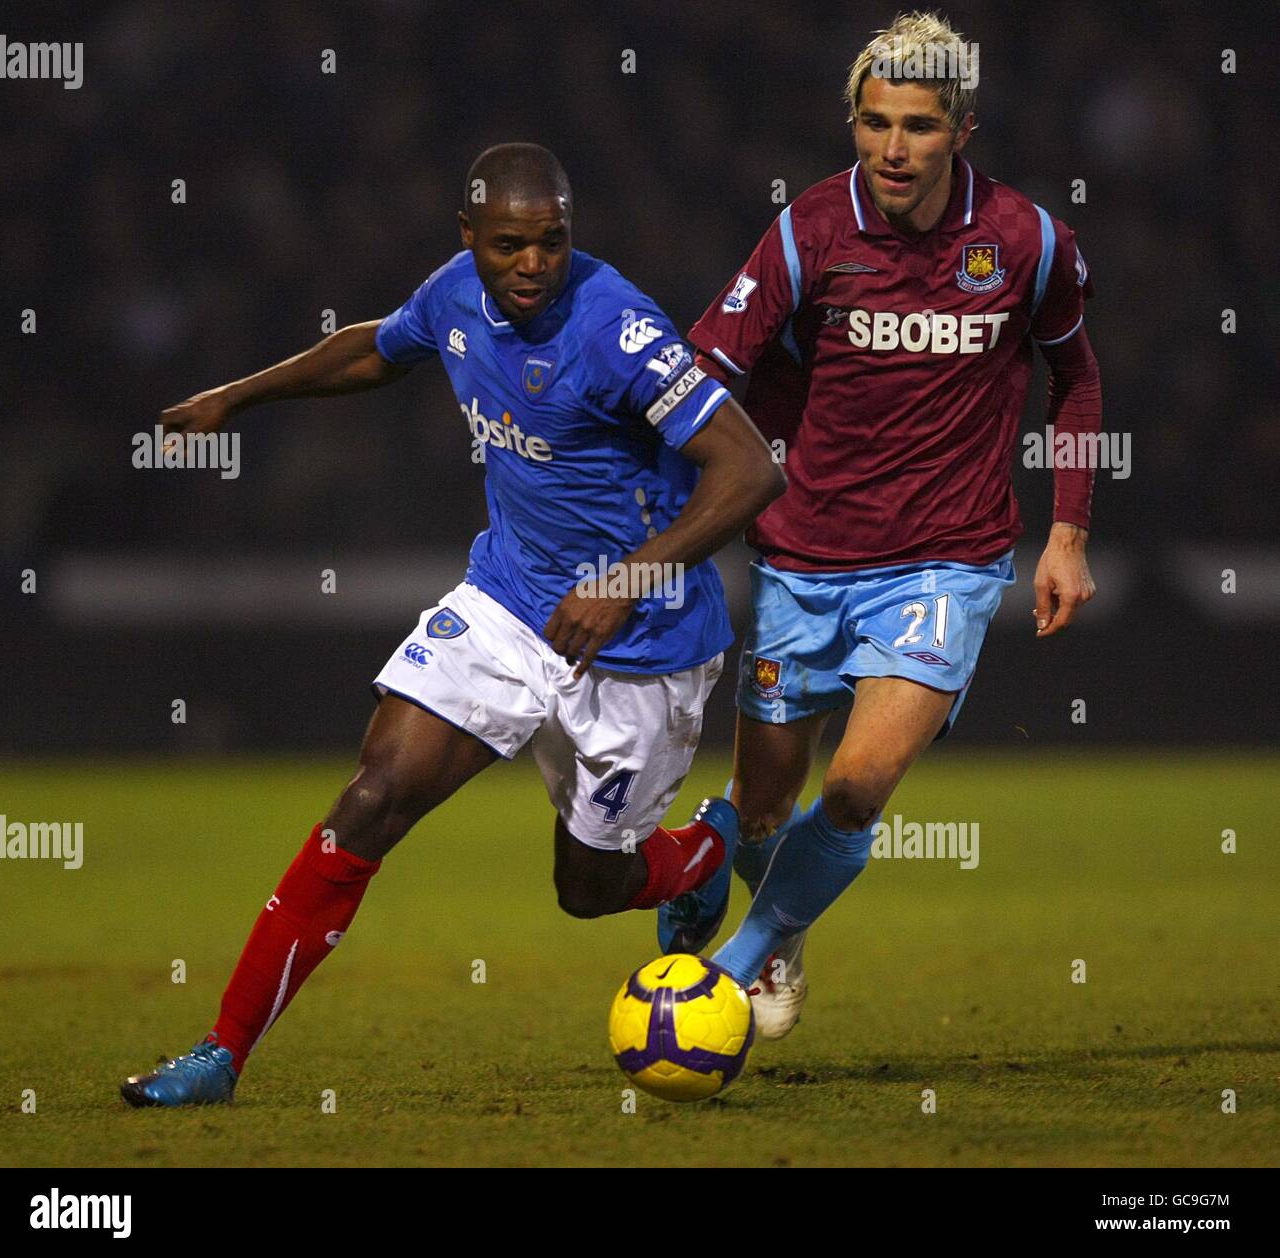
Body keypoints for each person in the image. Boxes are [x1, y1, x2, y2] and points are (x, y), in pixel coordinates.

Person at [121, 143, 784, 1106]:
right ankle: (223, 1053)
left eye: (552, 244)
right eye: (509, 245)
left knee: (587, 889)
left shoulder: (619, 331)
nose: (532, 265)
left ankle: (704, 851)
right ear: (468, 239)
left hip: (642, 647)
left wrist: (625, 581)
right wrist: (242, 394)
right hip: (508, 606)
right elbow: (376, 347)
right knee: (371, 799)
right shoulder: (454, 296)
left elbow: (752, 470)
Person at [660, 12, 1100, 1039]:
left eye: (915, 125)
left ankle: (731, 964)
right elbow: (703, 368)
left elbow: (1074, 376)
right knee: (768, 802)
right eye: (871, 123)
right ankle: (736, 846)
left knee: (855, 788)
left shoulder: (1029, 242)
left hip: (945, 562)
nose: (891, 149)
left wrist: (1067, 533)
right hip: (802, 559)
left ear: (963, 130)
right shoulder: (806, 231)